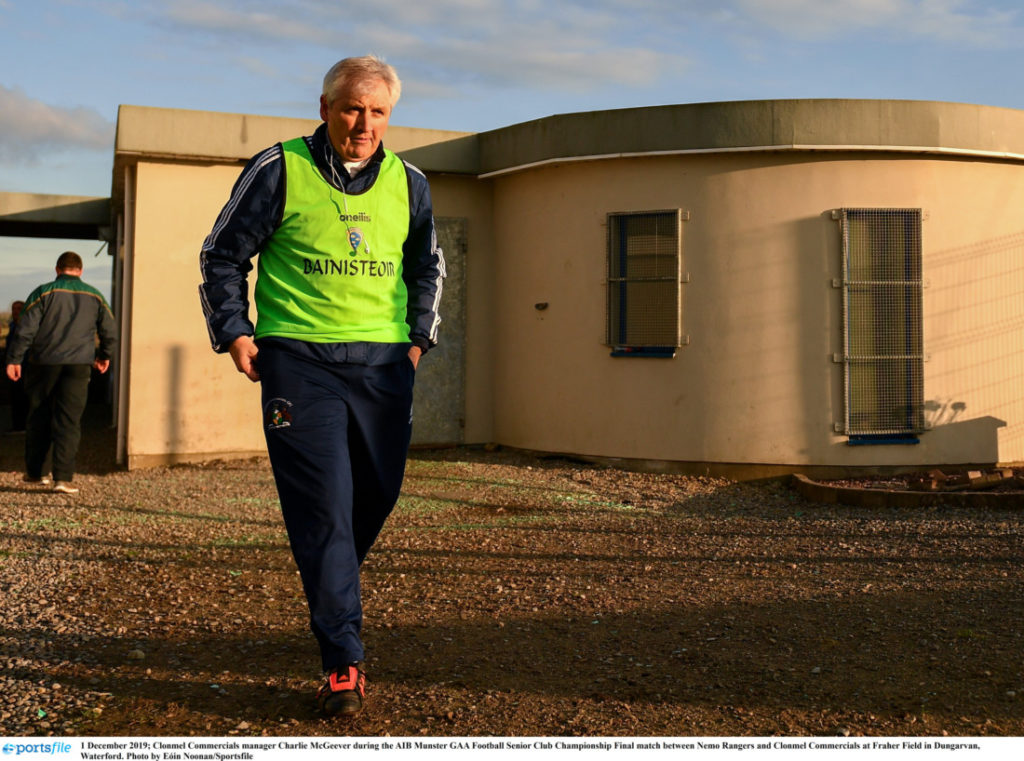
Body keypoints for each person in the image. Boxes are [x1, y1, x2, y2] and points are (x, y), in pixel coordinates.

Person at [199, 55, 444, 718]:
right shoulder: (279, 169)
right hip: (297, 366)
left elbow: (427, 266)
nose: (363, 124)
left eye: (377, 112)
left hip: (384, 366)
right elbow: (222, 253)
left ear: (389, 116)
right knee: (324, 508)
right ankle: (343, 658)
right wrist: (235, 328)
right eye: (351, 109)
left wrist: (419, 338)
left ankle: (329, 577)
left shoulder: (411, 183)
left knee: (376, 493)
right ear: (325, 107)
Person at [4, 252, 118, 494]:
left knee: (39, 415)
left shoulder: (42, 292)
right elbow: (109, 329)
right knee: (69, 420)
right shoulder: (95, 295)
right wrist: (104, 356)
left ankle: (36, 473)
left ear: (57, 269)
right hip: (79, 365)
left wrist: (14, 359)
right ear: (81, 270)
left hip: (43, 362)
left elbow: (25, 328)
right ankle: (63, 479)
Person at [3, 300, 28, 432]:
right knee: (15, 396)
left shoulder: (27, 328)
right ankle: (17, 425)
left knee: (24, 396)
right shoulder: (12, 326)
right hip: (12, 367)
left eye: (19, 309)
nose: (15, 312)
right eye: (14, 309)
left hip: (25, 367)